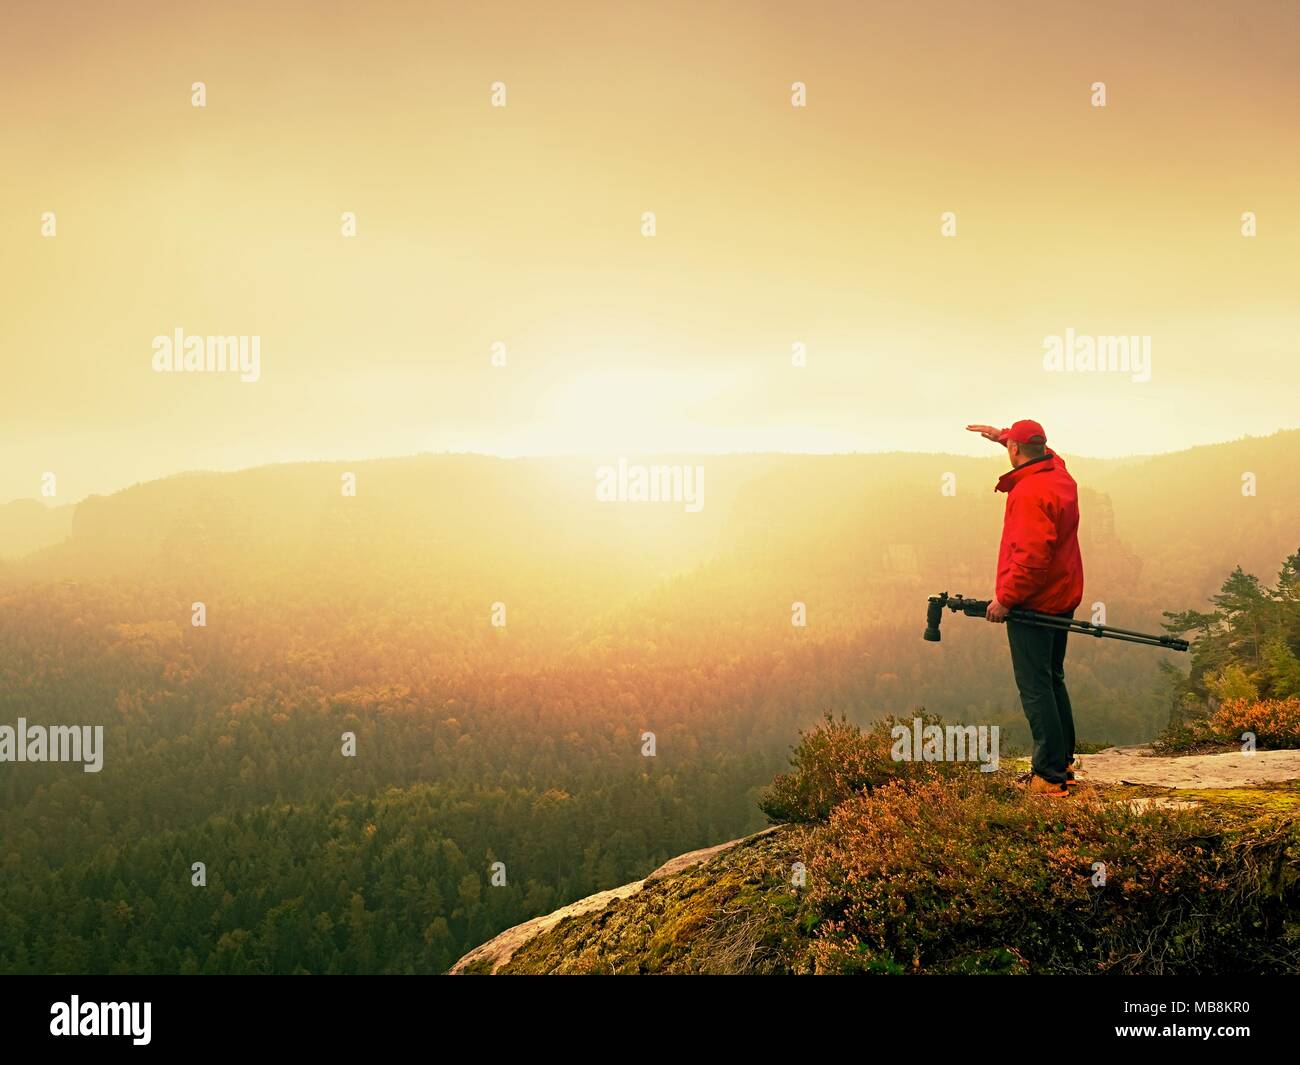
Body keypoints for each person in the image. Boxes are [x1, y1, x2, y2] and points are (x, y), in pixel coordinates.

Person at [966, 420, 1084, 797]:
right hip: (1063, 596)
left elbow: (1031, 560)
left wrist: (1005, 600)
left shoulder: (1029, 493)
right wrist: (1006, 437)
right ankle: (1061, 761)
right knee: (1052, 679)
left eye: (1010, 447)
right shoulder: (1059, 476)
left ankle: (1049, 777)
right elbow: (1050, 456)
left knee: (1035, 688)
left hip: (1035, 602)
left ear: (1016, 451)